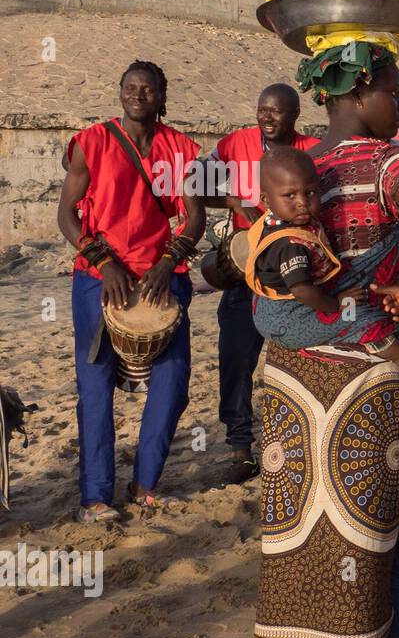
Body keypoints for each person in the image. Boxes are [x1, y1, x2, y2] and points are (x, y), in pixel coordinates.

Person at [246, 41, 399, 638]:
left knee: (297, 528)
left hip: (287, 371)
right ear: (361, 87)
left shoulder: (300, 167)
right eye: (394, 91)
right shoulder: (387, 160)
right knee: (359, 533)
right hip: (358, 375)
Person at [57, 61, 205, 522]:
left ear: (162, 96)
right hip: (100, 276)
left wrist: (166, 261)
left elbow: (194, 216)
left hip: (165, 276)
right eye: (129, 87)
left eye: (147, 88)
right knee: (96, 383)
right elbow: (67, 216)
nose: (137, 94)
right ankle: (95, 496)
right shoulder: (92, 143)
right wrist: (104, 262)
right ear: (120, 93)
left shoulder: (183, 149)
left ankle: (145, 485)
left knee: (173, 380)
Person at [202, 84, 319, 485]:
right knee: (237, 359)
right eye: (261, 110)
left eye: (276, 112)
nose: (266, 118)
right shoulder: (234, 144)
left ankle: (301, 441)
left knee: (297, 359)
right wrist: (233, 202)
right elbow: (197, 182)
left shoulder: (313, 148)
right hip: (245, 271)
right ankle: (240, 448)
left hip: (295, 270)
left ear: (295, 115)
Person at [244, 146, 399, 372]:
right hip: (288, 319)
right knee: (360, 316)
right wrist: (337, 303)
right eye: (290, 195)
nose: (302, 202)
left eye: (310, 193)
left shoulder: (273, 223)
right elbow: (302, 290)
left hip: (272, 308)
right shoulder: (291, 244)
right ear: (265, 200)